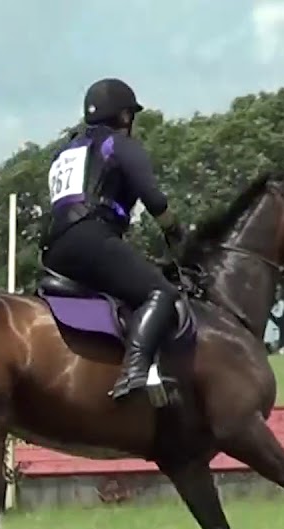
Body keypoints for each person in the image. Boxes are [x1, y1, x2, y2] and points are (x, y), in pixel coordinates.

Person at [41, 77, 189, 401]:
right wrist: (175, 233)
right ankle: (135, 370)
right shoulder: (118, 145)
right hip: (92, 238)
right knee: (160, 291)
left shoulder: (63, 152)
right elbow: (153, 199)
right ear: (125, 116)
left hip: (54, 249)